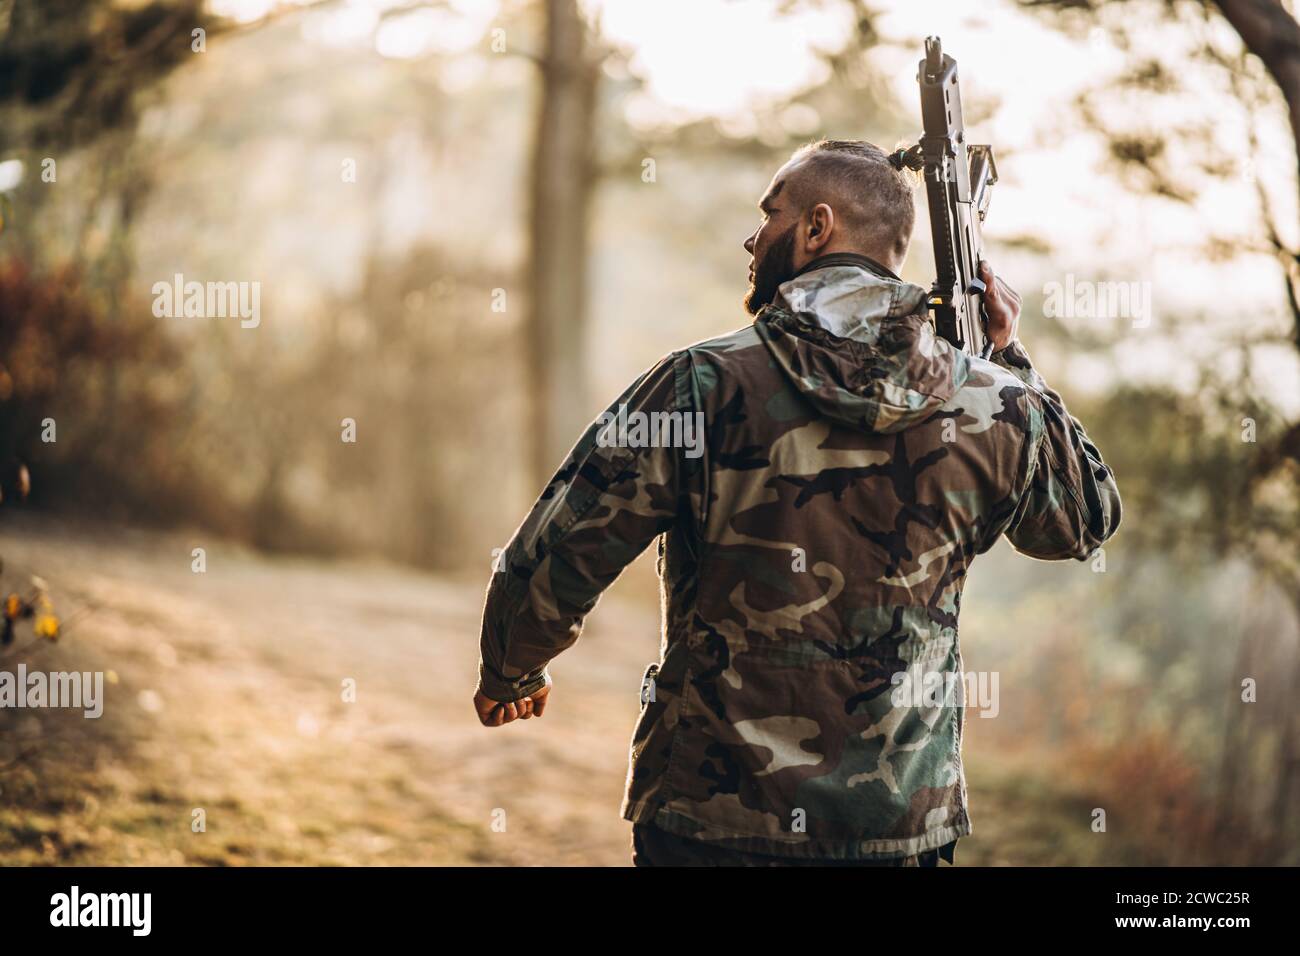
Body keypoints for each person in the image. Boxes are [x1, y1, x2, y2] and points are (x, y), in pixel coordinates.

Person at [473, 139, 1122, 866]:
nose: (753, 237)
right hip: (900, 828)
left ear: (817, 228)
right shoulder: (994, 406)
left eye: (769, 212)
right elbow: (1081, 522)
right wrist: (1006, 357)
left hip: (710, 819)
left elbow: (565, 546)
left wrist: (512, 669)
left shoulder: (703, 384)